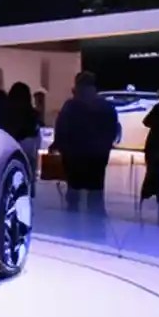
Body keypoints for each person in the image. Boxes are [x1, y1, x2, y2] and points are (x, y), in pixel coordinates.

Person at [51, 71, 120, 212]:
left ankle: (72, 225)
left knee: (74, 190)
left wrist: (57, 144)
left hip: (74, 155)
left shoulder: (70, 106)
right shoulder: (106, 106)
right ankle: (96, 223)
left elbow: (62, 128)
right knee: (96, 189)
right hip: (98, 155)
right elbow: (113, 129)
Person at [3, 82, 43, 192]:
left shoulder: (7, 113)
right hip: (28, 149)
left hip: (11, 150)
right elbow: (37, 139)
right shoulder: (33, 115)